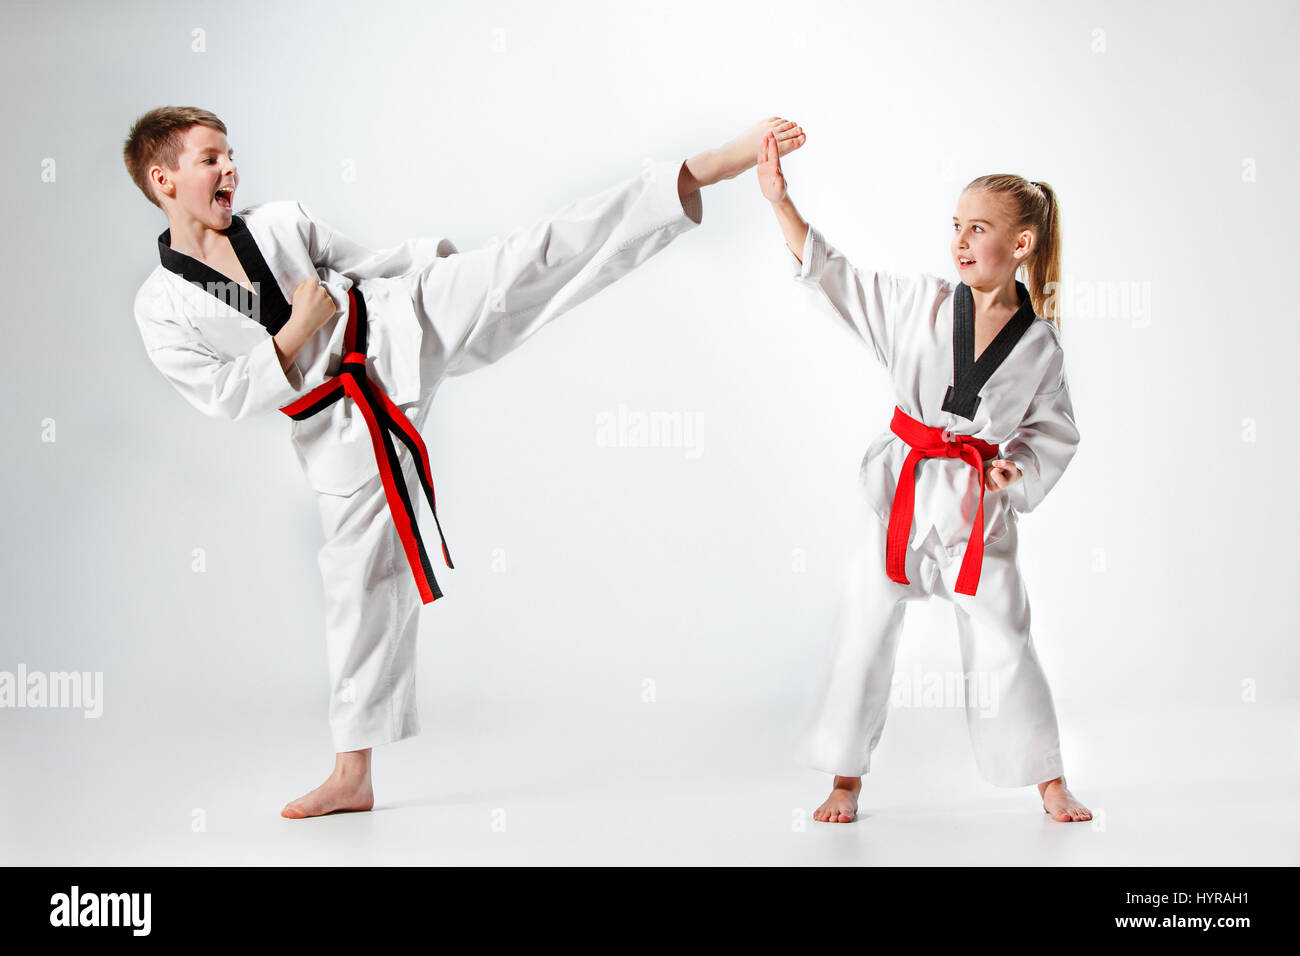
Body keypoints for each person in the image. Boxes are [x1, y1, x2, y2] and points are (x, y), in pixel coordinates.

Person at [124, 107, 806, 818]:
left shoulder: (278, 224)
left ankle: (704, 169)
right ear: (163, 177)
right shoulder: (161, 306)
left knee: (532, 255)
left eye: (230, 154)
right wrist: (295, 331)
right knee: (354, 584)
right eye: (211, 159)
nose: (230, 168)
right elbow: (226, 393)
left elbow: (365, 267)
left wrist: (443, 269)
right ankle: (352, 774)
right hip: (339, 422)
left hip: (394, 323)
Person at [756, 130, 1090, 823]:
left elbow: (1052, 429)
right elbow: (838, 280)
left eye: (978, 228)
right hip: (901, 499)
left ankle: (1047, 778)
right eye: (956, 227)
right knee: (866, 624)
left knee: (1005, 633)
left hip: (975, 509)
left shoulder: (1039, 344)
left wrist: (1012, 470)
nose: (960, 241)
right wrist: (782, 203)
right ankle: (845, 777)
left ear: (1021, 245)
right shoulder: (921, 304)